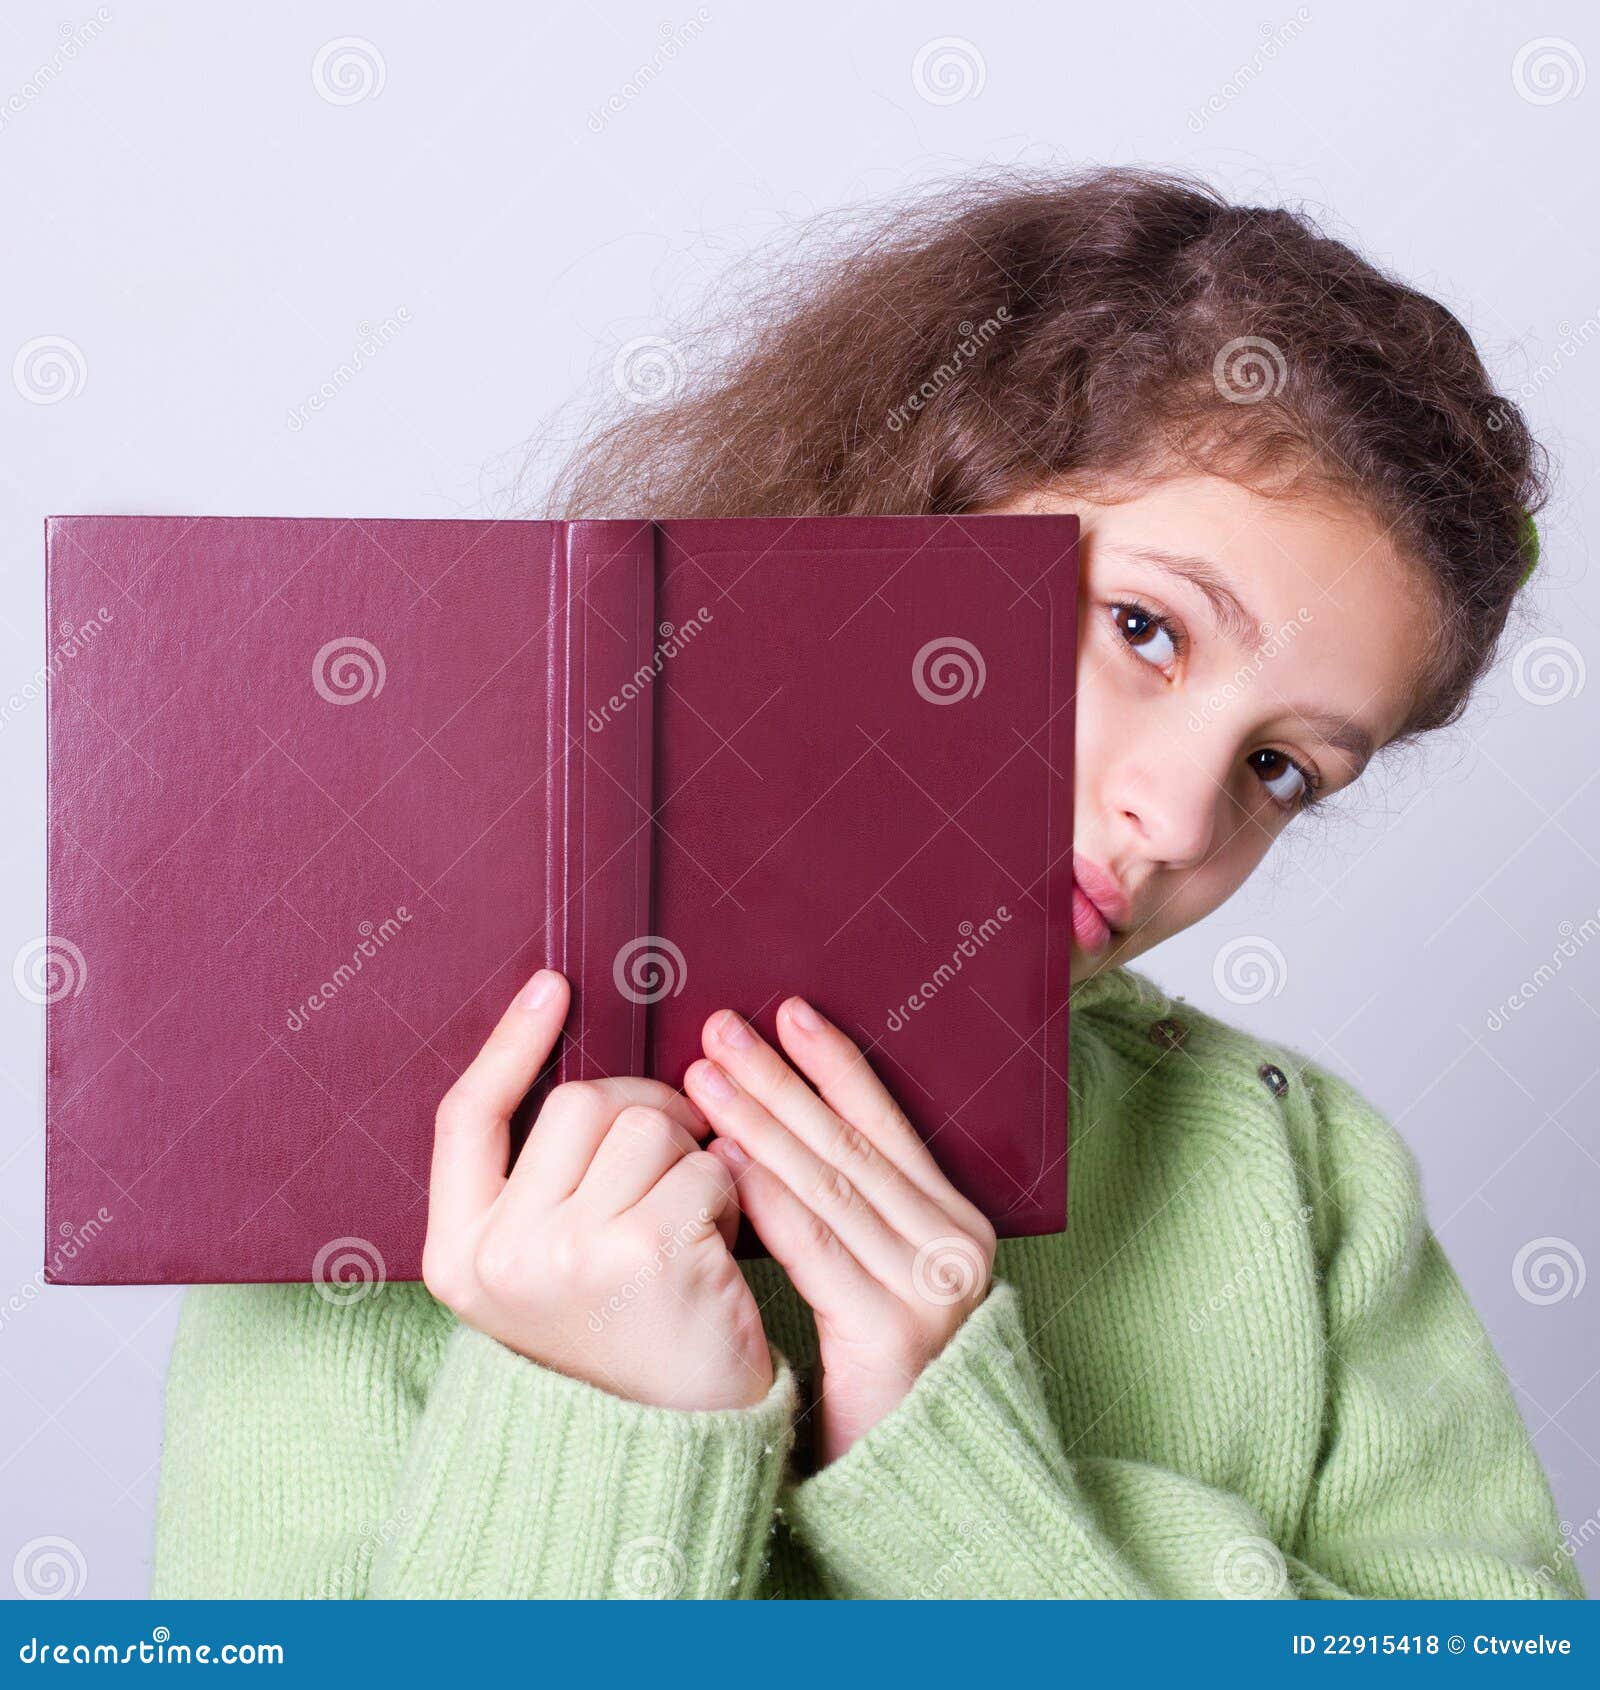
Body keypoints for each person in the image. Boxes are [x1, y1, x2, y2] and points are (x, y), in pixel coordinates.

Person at [153, 167, 1582, 1599]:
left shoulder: (1305, 1179)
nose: (1174, 813)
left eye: (1281, 770)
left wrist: (947, 1452)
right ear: (903, 515)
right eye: (1144, 627)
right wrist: (602, 1419)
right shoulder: (368, 1151)